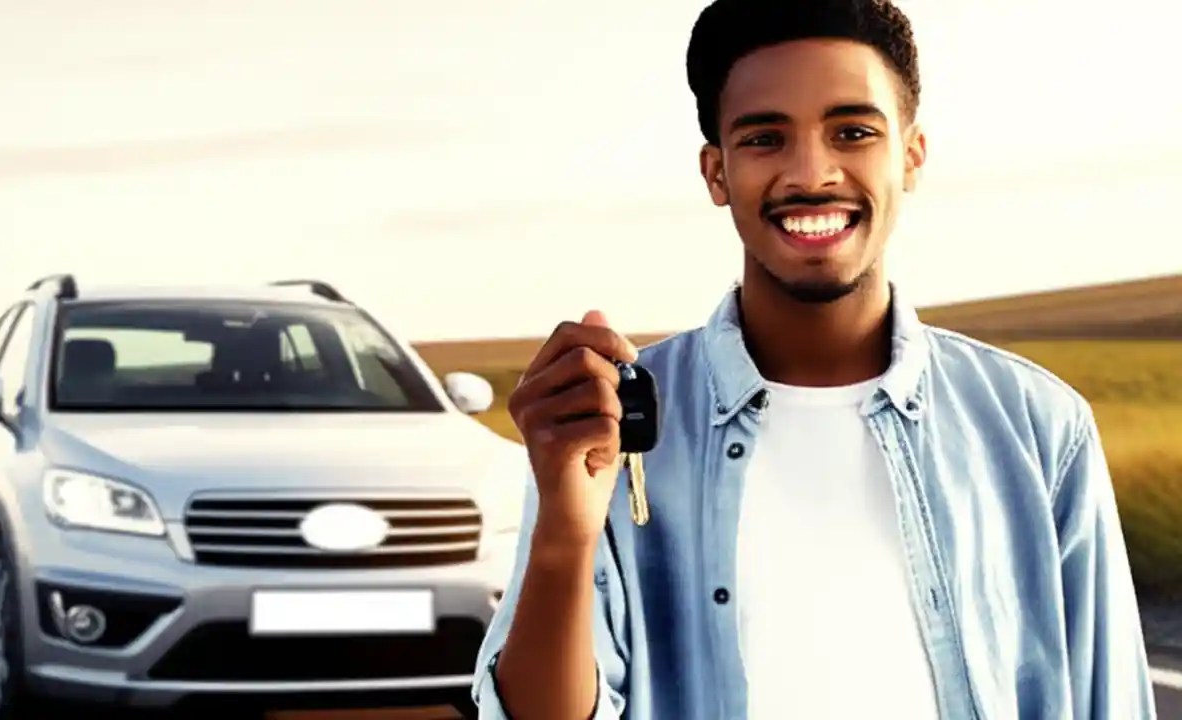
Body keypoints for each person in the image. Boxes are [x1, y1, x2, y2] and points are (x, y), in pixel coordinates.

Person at [468, 0, 1157, 718]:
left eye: (853, 132)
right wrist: (564, 533)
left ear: (912, 154)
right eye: (765, 138)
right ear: (716, 173)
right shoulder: (614, 427)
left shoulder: (1038, 428)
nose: (811, 173)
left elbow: (1108, 699)